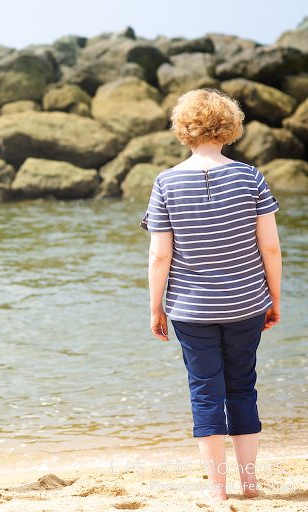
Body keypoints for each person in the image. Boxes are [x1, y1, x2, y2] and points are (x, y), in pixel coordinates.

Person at [141, 89, 282, 501]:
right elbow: (270, 247)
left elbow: (160, 255)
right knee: (243, 387)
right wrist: (273, 298)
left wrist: (156, 308)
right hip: (246, 304)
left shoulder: (166, 182)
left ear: (182, 129)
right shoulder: (250, 177)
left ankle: (218, 490)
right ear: (230, 127)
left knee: (205, 391)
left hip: (191, 309)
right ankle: (250, 485)